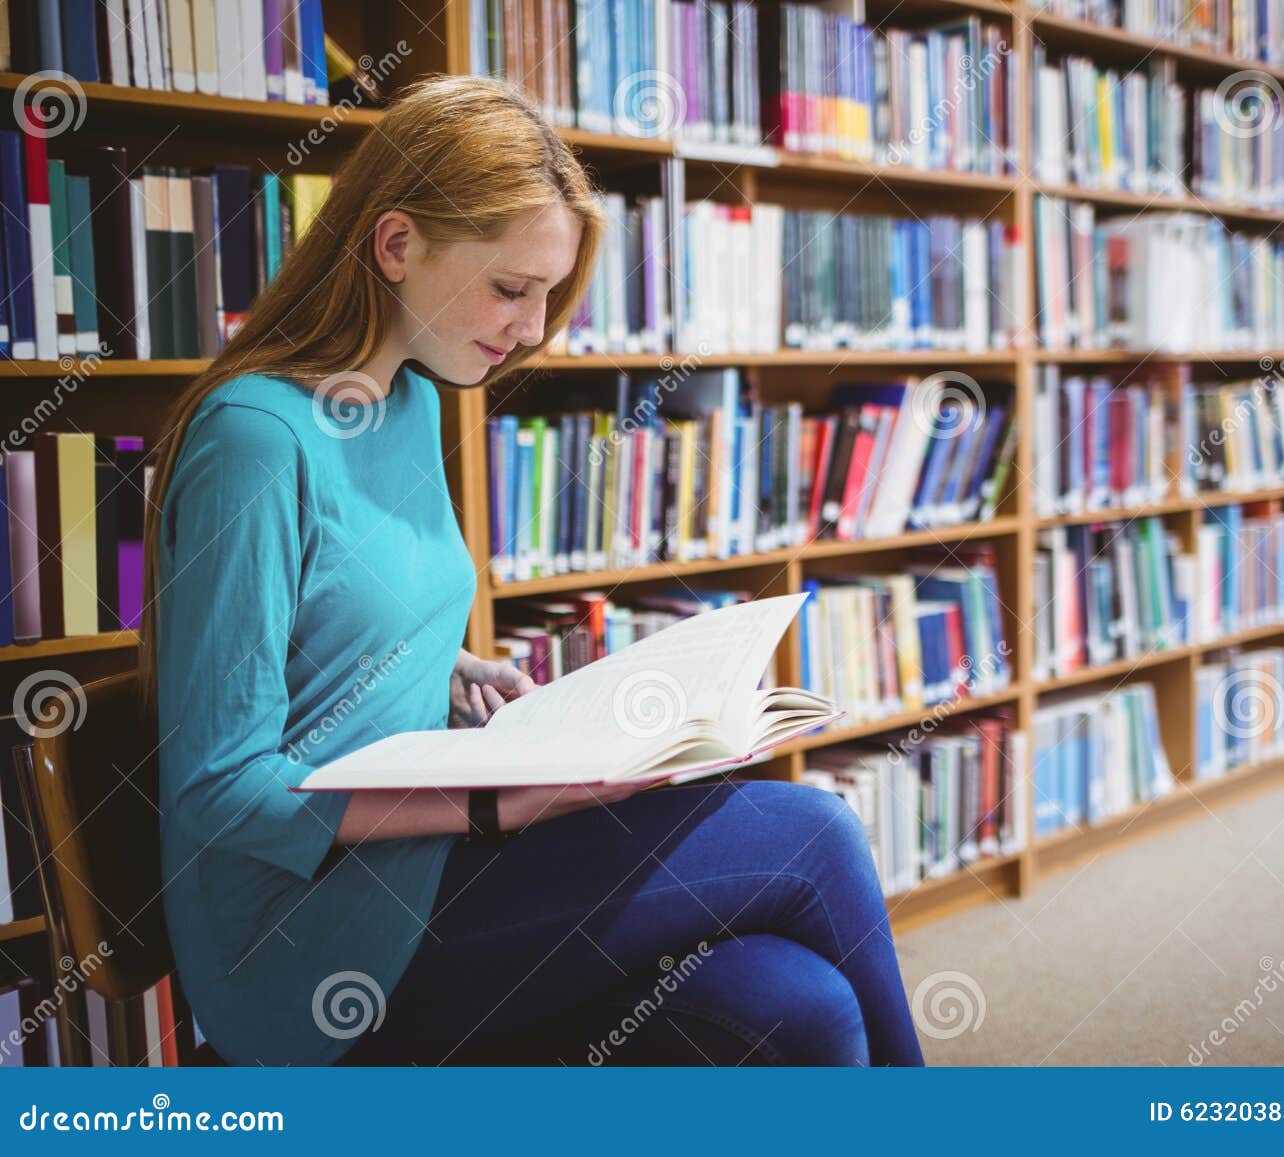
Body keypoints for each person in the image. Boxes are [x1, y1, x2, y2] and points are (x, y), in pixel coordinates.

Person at [140, 75, 924, 1068]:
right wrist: (494, 802)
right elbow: (221, 788)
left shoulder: (413, 397)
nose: (529, 326)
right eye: (510, 287)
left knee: (796, 1002)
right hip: (314, 940)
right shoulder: (254, 437)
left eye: (547, 293)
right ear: (394, 245)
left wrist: (450, 672)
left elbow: (348, 607)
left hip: (436, 860)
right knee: (814, 833)